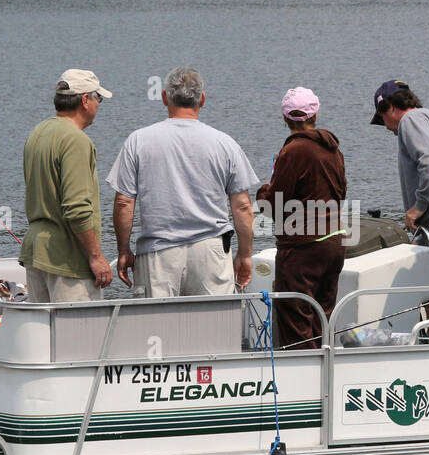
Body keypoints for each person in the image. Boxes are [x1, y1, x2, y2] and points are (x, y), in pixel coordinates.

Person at [109, 67, 259, 297]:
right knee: (216, 326)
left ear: (164, 97)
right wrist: (245, 255)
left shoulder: (138, 141)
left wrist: (123, 251)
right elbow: (243, 206)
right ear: (203, 100)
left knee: (156, 328)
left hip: (158, 253)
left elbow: (123, 203)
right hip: (211, 251)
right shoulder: (225, 143)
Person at [256, 87, 347, 349]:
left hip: (302, 245)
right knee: (322, 317)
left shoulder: (293, 151)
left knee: (296, 321)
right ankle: (325, 381)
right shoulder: (333, 150)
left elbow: (274, 204)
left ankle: (303, 386)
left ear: (285, 118)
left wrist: (264, 190)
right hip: (334, 241)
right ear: (315, 115)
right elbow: (341, 192)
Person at [18, 69, 115, 302]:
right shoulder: (76, 140)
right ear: (85, 100)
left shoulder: (37, 132)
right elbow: (77, 208)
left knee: (45, 334)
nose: (98, 106)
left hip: (36, 252)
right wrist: (95, 256)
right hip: (67, 260)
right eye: (98, 99)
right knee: (81, 336)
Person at [371, 79, 429, 267]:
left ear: (391, 107)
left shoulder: (410, 120)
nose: (385, 126)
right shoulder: (428, 117)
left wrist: (418, 206)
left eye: (381, 117)